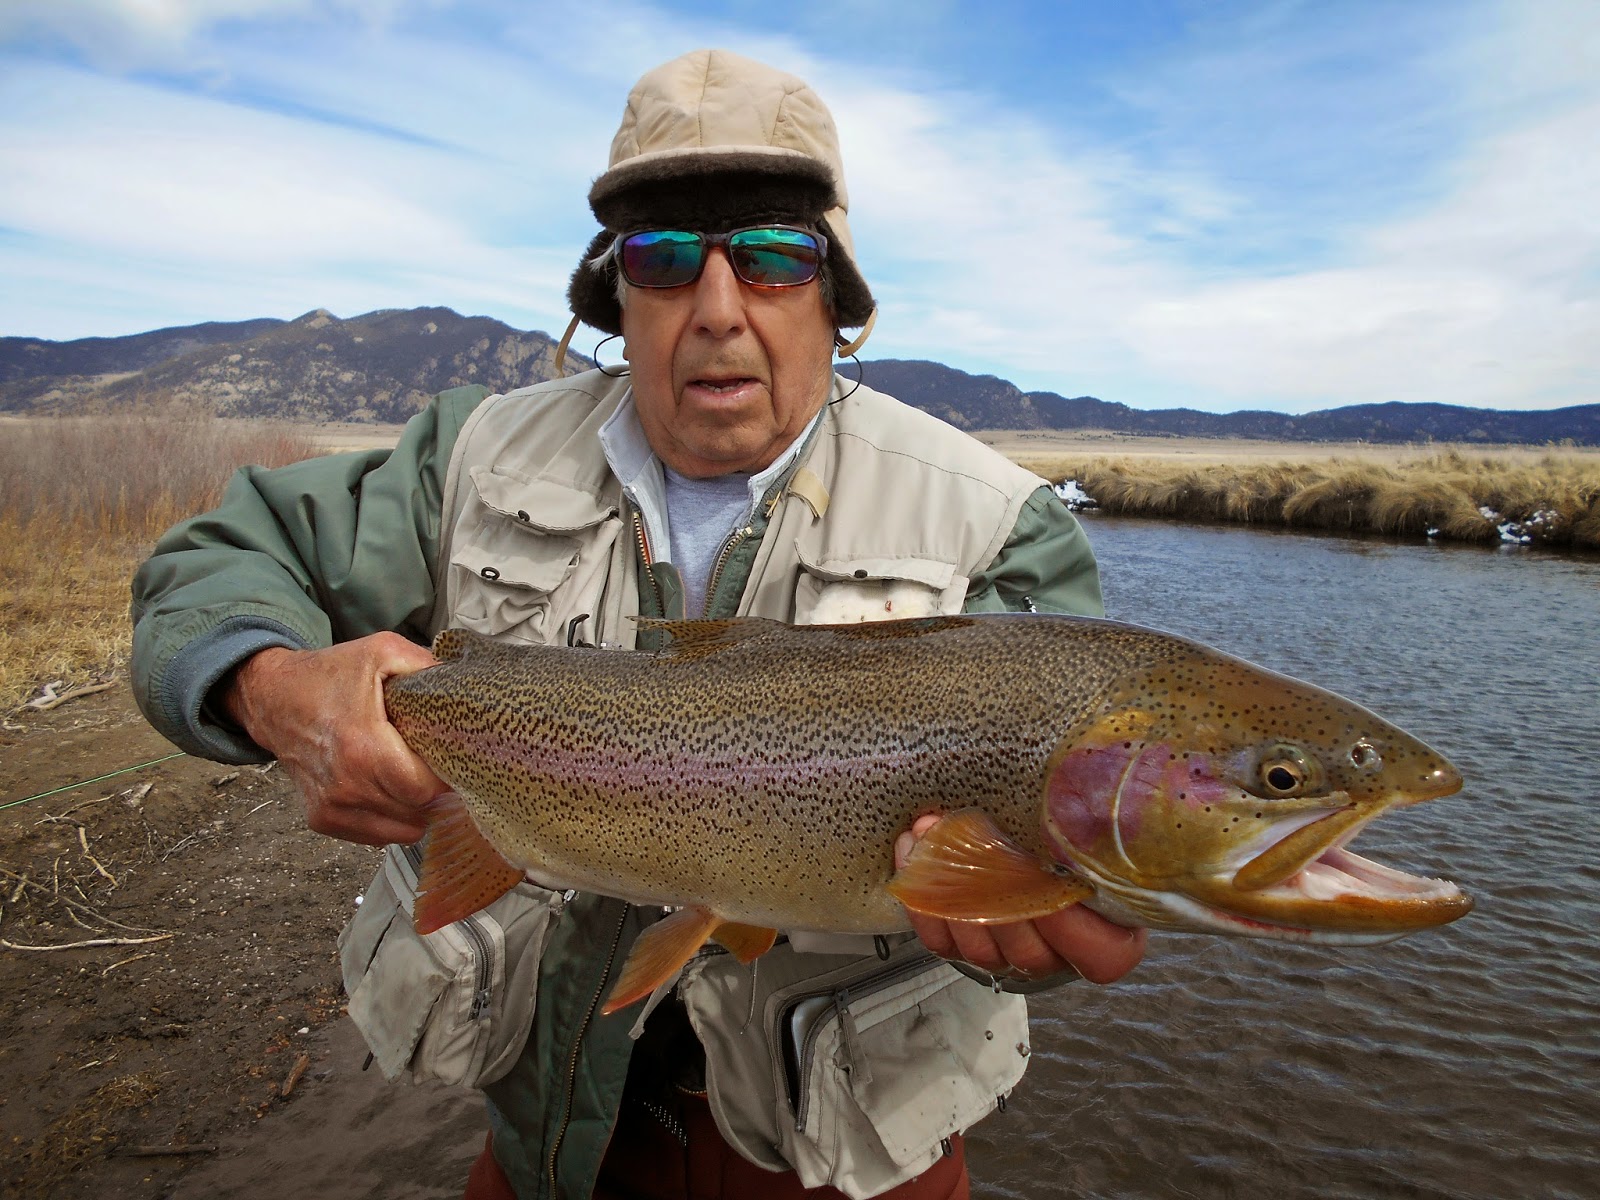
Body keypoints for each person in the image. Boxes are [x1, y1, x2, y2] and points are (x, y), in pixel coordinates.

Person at [131, 48, 1145, 1200]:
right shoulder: (468, 455)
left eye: (771, 255)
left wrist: (1053, 928)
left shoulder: (996, 523)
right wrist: (272, 690)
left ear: (836, 299)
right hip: (555, 1138)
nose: (717, 310)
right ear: (617, 294)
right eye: (665, 258)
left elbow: (1084, 856)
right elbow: (213, 564)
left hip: (850, 1163)